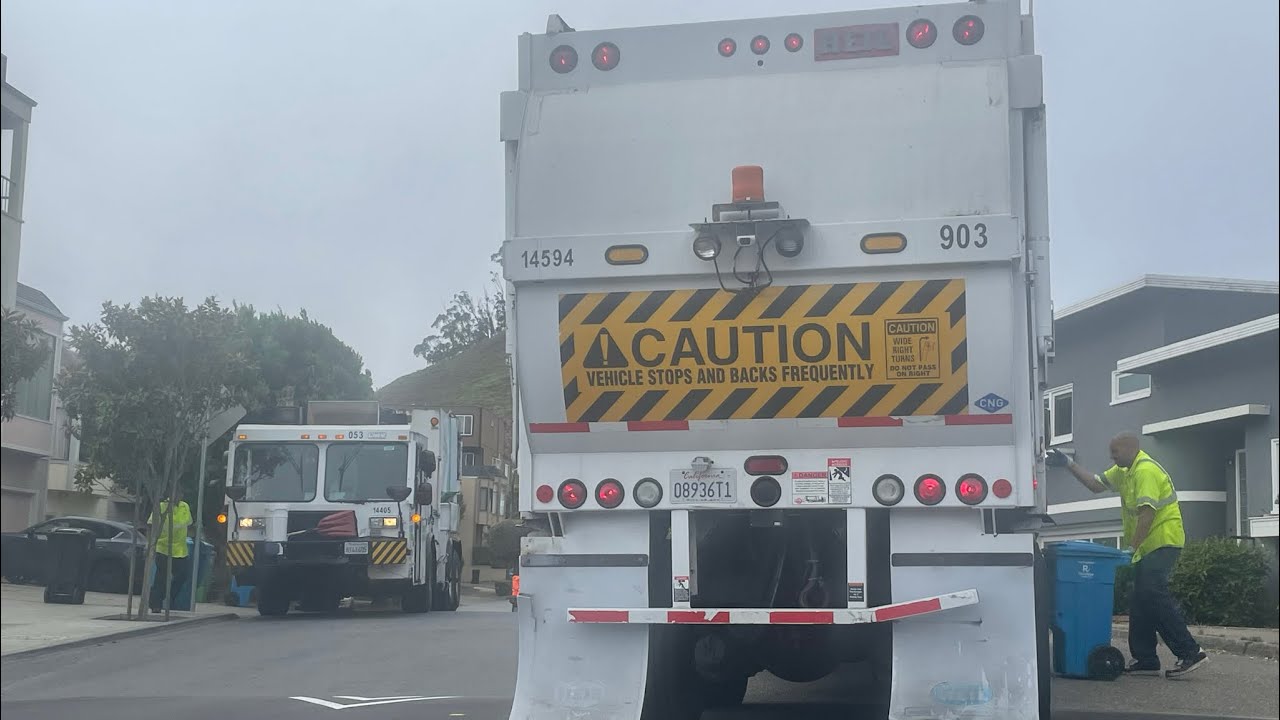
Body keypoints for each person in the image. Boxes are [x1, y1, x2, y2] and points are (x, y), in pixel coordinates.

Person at [1047, 433, 1208, 678]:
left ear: (1131, 450)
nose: (1112, 457)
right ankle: (1145, 659)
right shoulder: (1124, 471)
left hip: (1164, 540)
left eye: (1115, 452)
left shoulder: (1145, 471)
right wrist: (1068, 464)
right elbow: (1095, 484)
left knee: (1151, 593)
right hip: (1148, 545)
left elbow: (1147, 514)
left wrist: (1131, 547)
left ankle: (1190, 651)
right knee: (1140, 598)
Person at [147, 488, 194, 613]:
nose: (179, 495)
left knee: (183, 575)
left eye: (180, 493)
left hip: (180, 550)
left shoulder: (185, 506)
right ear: (170, 494)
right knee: (161, 578)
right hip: (163, 548)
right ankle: (155, 603)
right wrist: (151, 544)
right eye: (176, 493)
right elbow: (151, 525)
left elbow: (188, 524)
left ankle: (170, 595)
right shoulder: (162, 507)